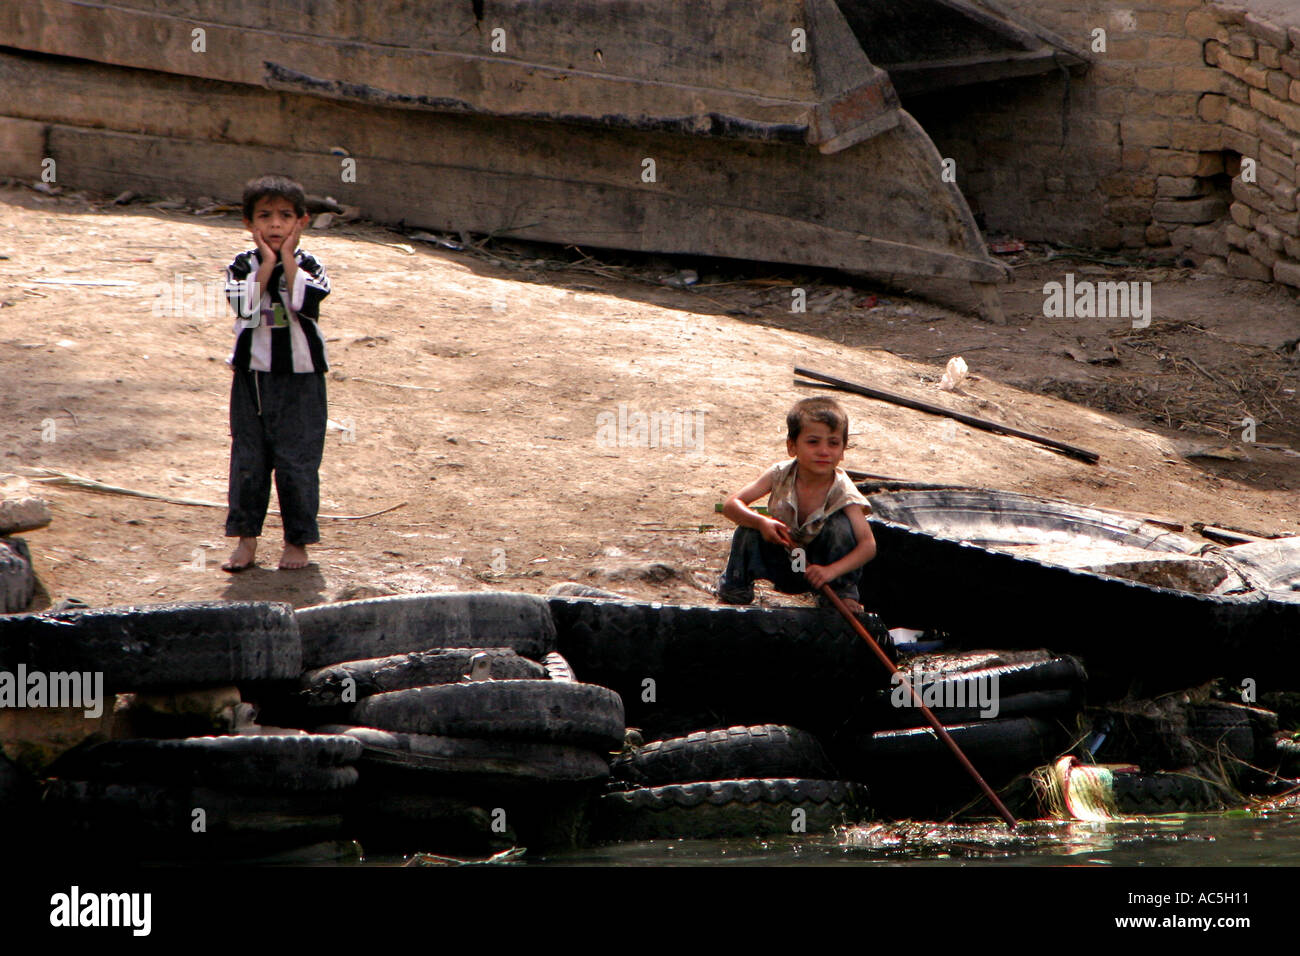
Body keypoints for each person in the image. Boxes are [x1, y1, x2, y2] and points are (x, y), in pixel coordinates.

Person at [220, 174, 331, 572]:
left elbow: (307, 301)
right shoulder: (242, 265)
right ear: (249, 224)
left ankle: (296, 542)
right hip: (251, 380)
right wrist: (267, 263)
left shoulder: (310, 266)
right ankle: (246, 541)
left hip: (302, 381)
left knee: (297, 461)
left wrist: (285, 260)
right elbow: (245, 308)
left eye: (286, 216)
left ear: (302, 222)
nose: (275, 225)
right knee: (249, 459)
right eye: (264, 216)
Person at [718, 396, 877, 612]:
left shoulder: (843, 492)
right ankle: (734, 590)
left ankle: (842, 595)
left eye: (833, 443)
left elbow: (868, 546)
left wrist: (830, 571)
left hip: (820, 573)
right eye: (813, 442)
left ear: (842, 451)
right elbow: (731, 505)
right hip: (788, 561)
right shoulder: (780, 474)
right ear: (792, 446)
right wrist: (762, 523)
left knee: (840, 527)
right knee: (747, 530)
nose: (824, 451)